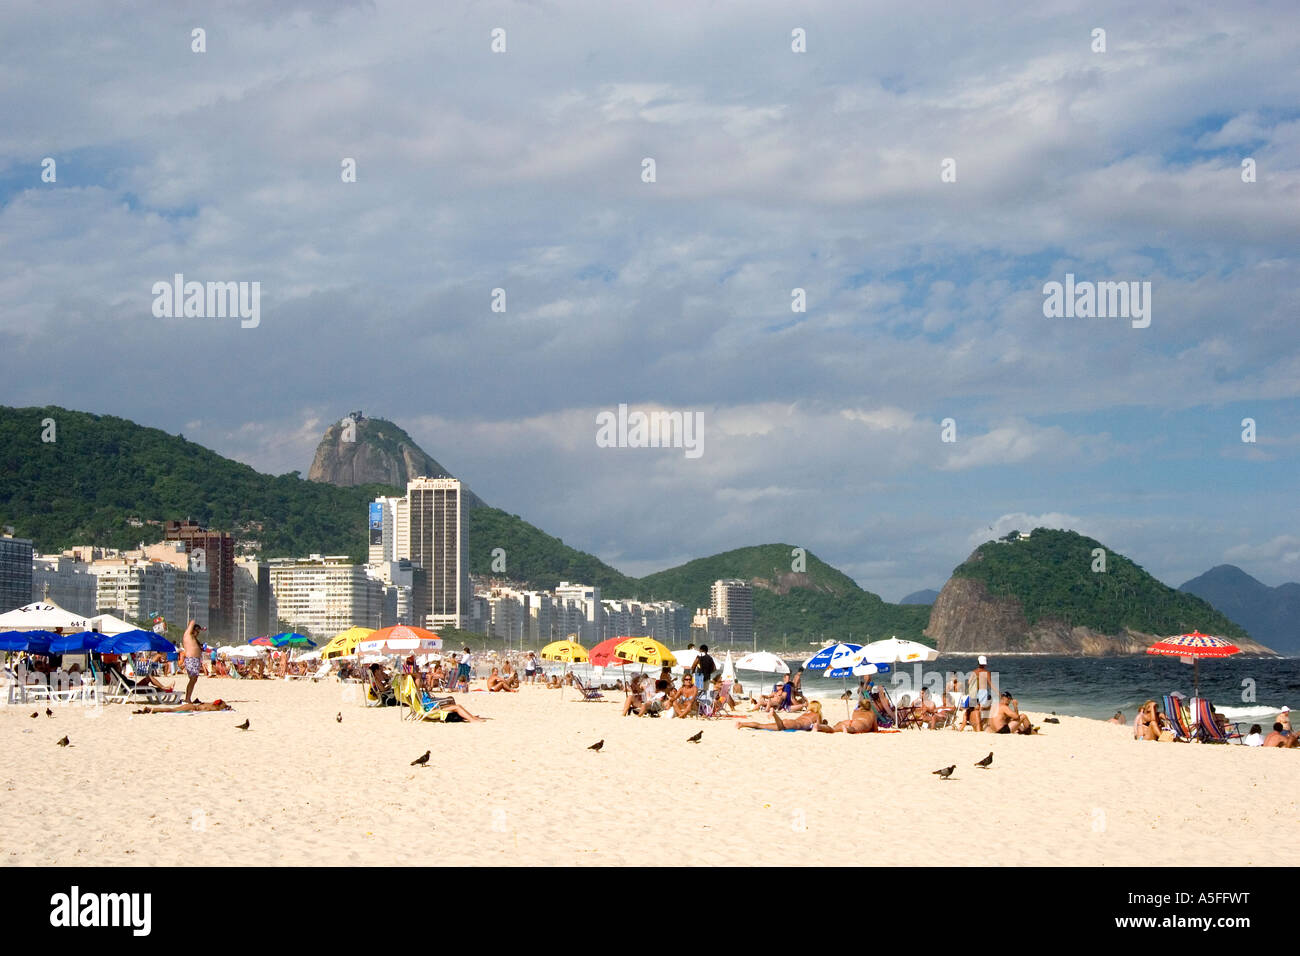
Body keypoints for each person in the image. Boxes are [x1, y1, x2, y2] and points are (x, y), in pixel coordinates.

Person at [738, 700, 831, 732]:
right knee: (778, 727)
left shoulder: (806, 713)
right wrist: (825, 722)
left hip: (790, 722)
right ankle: (774, 714)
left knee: (761, 725)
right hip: (794, 725)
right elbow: (818, 726)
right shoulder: (816, 714)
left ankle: (742, 724)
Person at [180, 619, 203, 704]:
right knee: (193, 678)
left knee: (194, 679)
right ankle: (187, 698)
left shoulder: (194, 639)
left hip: (195, 660)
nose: (198, 633)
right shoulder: (187, 635)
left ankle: (188, 698)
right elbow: (192, 622)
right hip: (191, 659)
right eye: (197, 631)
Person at [133, 698, 232, 714]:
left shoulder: (210, 705)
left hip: (192, 706)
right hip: (192, 707)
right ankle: (152, 709)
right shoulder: (212, 708)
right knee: (172, 710)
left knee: (172, 710)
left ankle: (152, 709)